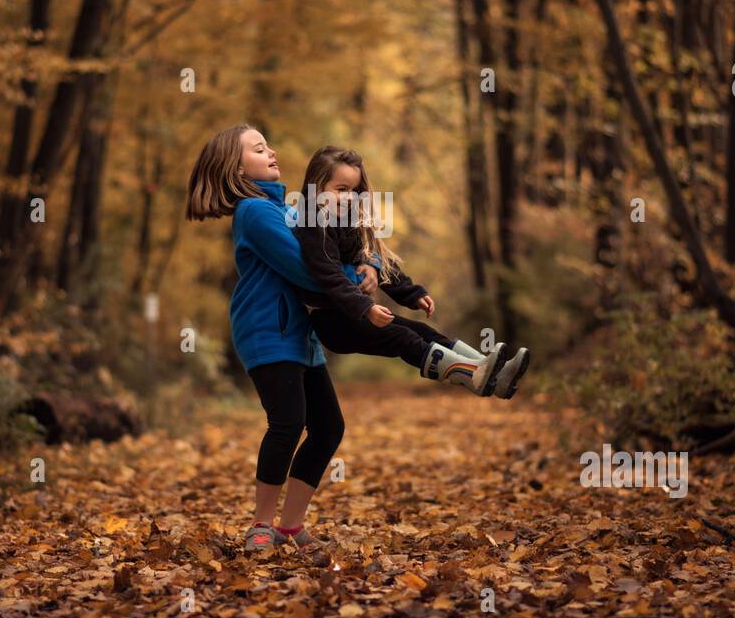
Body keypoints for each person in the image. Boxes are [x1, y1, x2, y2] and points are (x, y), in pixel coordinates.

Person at [185, 124, 377, 553]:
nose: (271, 151)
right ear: (235, 167)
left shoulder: (286, 209)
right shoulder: (254, 211)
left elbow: (333, 245)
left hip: (299, 331)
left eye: (268, 145)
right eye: (258, 149)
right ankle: (260, 525)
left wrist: (369, 265)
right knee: (288, 422)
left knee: (328, 426)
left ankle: (290, 527)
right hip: (267, 329)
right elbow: (304, 268)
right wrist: (350, 280)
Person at [293, 145, 530, 399]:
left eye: (355, 191)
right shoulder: (313, 225)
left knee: (423, 332)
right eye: (341, 190)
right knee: (403, 337)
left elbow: (374, 257)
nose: (350, 198)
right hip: (333, 321)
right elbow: (331, 276)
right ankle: (473, 374)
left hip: (350, 313)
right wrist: (367, 308)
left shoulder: (345, 221)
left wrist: (411, 292)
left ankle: (497, 372)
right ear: (317, 189)